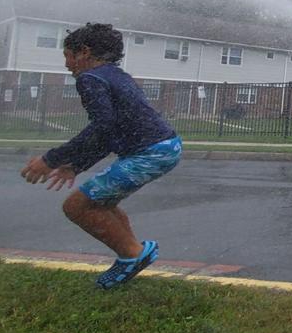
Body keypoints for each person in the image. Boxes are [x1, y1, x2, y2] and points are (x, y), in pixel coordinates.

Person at [20, 22, 182, 289]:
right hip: (164, 147)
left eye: (68, 56)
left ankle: (132, 254)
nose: (67, 65)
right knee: (101, 203)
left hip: (149, 153)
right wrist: (77, 165)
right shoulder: (117, 76)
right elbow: (110, 131)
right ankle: (133, 254)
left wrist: (51, 159)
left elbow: (102, 127)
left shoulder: (90, 78)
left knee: (75, 206)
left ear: (83, 52)